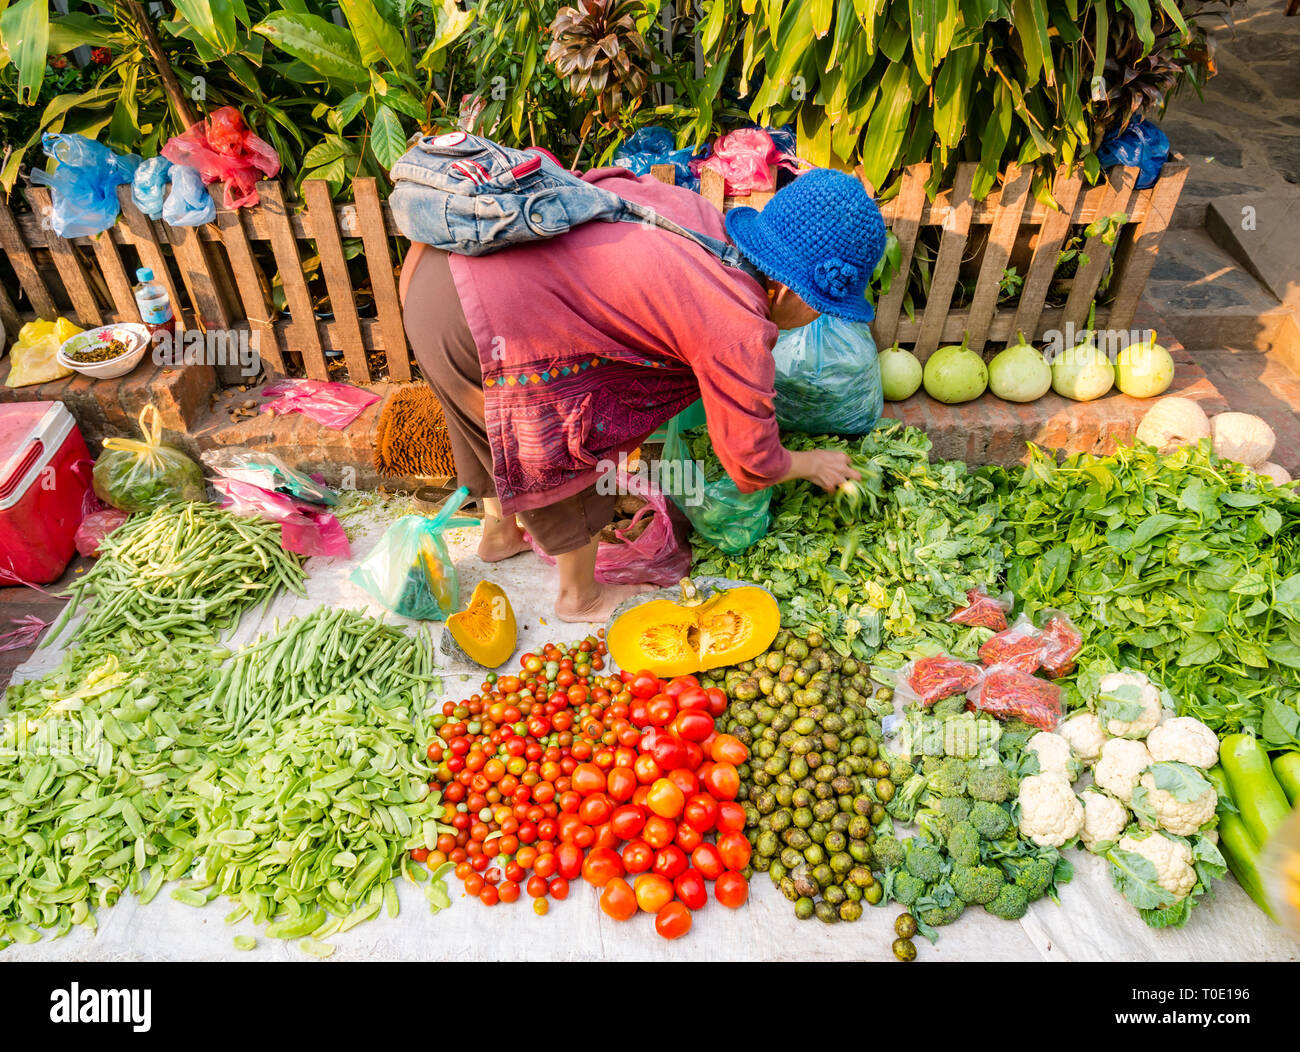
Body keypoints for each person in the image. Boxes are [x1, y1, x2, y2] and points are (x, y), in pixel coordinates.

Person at [399, 165, 884, 622]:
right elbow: (750, 459)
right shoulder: (736, 322)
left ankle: (499, 535)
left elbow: (608, 184)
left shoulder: (695, 217)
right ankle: (579, 597)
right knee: (570, 432)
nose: (819, 319)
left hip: (440, 275)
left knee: (489, 422)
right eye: (822, 308)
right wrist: (810, 463)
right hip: (483, 318)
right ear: (791, 293)